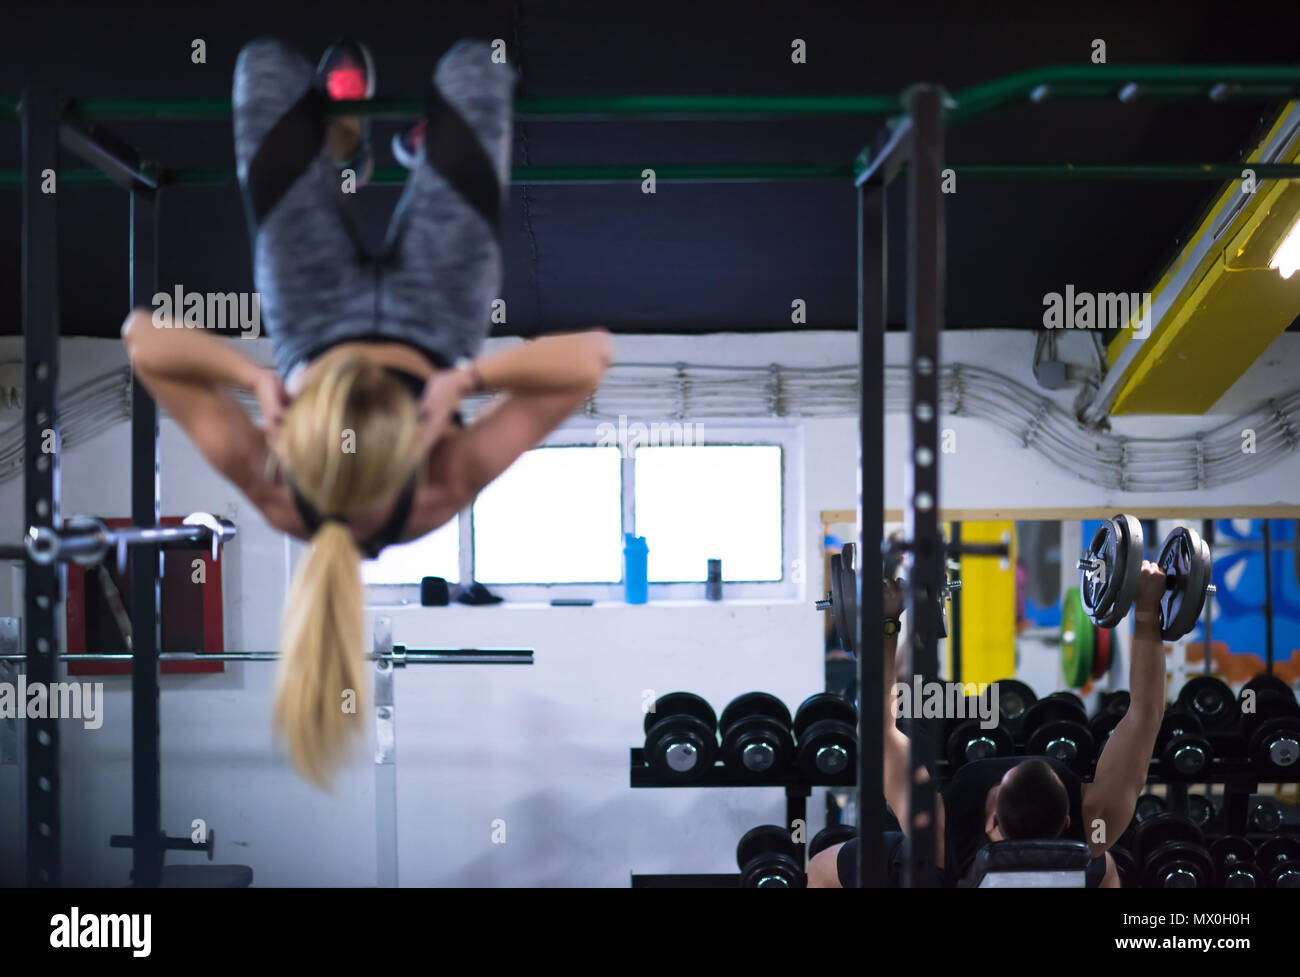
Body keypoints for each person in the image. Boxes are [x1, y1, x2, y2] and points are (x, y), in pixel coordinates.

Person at [122, 38, 611, 786]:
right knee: (475, 67)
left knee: (265, 68)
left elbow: (142, 338)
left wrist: (254, 383)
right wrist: (468, 377)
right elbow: (589, 358)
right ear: (413, 450)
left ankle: (342, 155)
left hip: (311, 308)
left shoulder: (280, 488)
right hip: (438, 311)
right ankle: (410, 157)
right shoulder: (435, 493)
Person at [808, 562, 1170, 887]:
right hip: (1055, 870)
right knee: (1103, 866)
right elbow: (1146, 713)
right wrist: (1148, 608)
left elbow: (877, 733)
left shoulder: (940, 835)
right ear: (1065, 823)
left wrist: (886, 623)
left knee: (822, 867)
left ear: (992, 822)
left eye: (998, 787)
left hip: (943, 873)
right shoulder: (1095, 825)